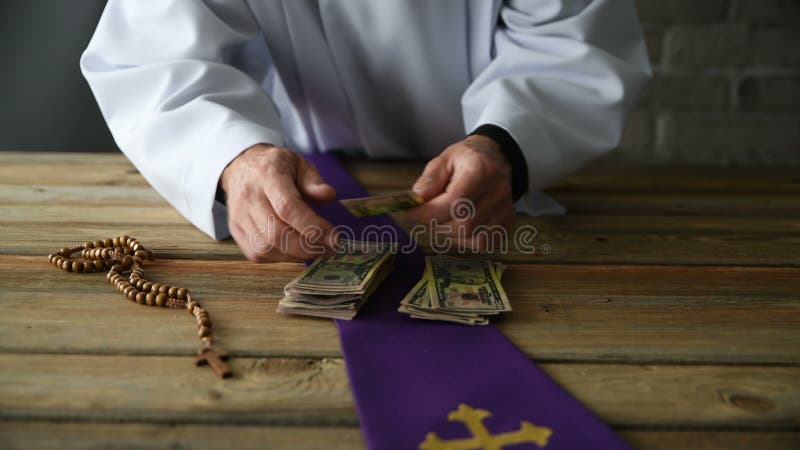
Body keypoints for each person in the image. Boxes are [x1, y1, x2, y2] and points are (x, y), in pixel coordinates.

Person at [81, 0, 650, 262]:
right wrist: (234, 157)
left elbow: (573, 41)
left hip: (486, 186)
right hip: (302, 173)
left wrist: (507, 146)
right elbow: (153, 56)